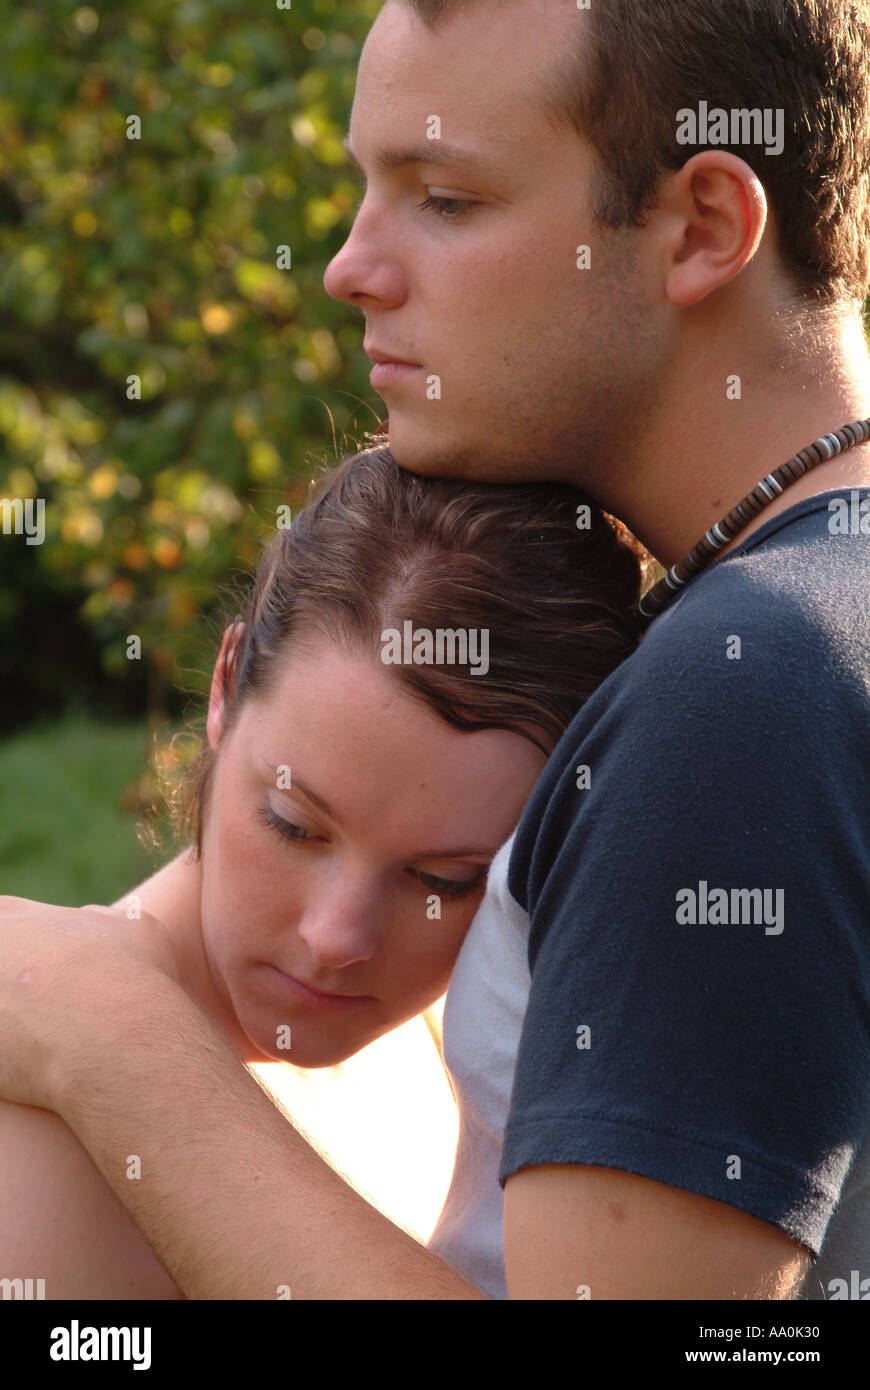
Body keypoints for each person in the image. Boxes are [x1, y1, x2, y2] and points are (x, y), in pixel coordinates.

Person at [1, 0, 869, 1300]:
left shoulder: (740, 690)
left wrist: (105, 1030)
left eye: (444, 197)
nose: (350, 266)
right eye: (364, 187)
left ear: (699, 229)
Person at [0, 446, 641, 1297]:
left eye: (444, 881)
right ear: (226, 686)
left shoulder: (468, 1051)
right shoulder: (41, 1146)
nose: (336, 939)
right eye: (294, 826)